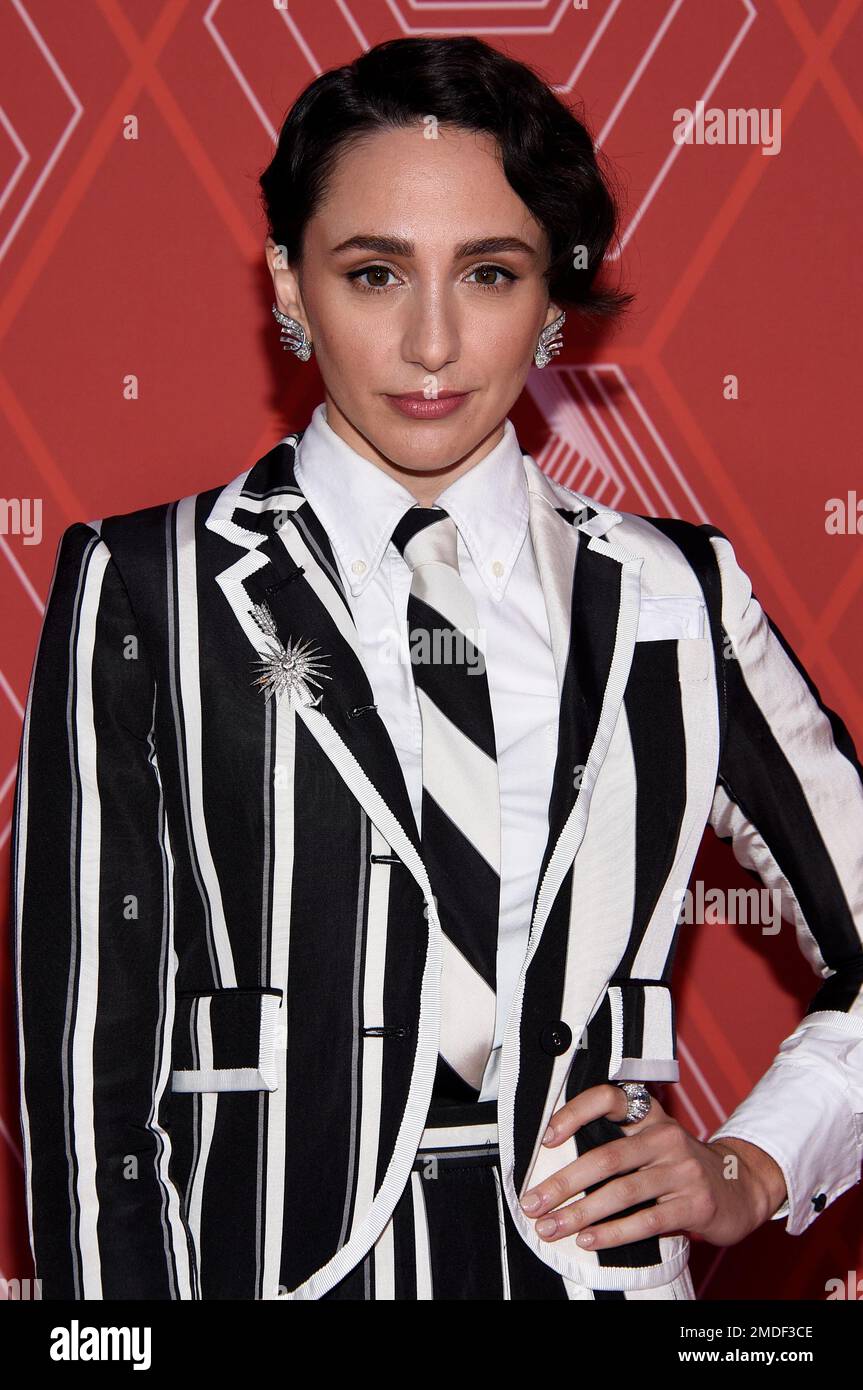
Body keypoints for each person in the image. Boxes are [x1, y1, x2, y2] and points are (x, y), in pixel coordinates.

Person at [10, 35, 863, 1302]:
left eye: (488, 272)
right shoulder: (148, 587)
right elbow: (89, 1067)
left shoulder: (670, 595)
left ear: (551, 297)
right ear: (288, 283)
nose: (428, 342)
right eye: (371, 273)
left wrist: (757, 1163)